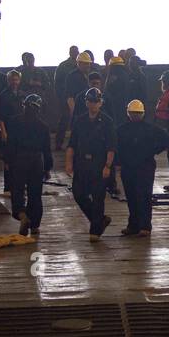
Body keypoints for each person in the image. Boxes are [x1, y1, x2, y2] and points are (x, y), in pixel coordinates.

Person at [65, 87, 116, 241]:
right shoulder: (80, 121)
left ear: (100, 103)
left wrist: (108, 166)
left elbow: (111, 147)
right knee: (78, 194)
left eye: (96, 101)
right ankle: (98, 220)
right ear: (86, 102)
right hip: (81, 163)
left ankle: (95, 230)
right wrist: (69, 163)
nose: (93, 104)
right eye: (90, 101)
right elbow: (72, 144)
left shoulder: (107, 122)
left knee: (98, 197)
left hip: (99, 164)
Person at [115, 99, 169, 238]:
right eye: (134, 113)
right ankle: (134, 225)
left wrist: (153, 151)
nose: (135, 116)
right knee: (133, 197)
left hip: (141, 167)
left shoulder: (123, 130)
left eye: (136, 113)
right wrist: (153, 151)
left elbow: (165, 140)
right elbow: (166, 140)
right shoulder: (126, 130)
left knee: (143, 197)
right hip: (135, 167)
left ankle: (144, 226)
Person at [5, 94, 53, 237]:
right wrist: (48, 168)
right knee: (35, 194)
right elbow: (47, 149)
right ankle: (35, 225)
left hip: (19, 160)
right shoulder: (43, 127)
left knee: (17, 191)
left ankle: (21, 214)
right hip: (36, 161)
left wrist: (7, 161)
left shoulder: (14, 122)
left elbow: (10, 144)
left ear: (23, 105)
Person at [0, 69, 23, 192]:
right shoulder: (3, 96)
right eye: (12, 79)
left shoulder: (22, 95)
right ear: (8, 81)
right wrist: (3, 131)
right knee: (8, 159)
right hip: (8, 130)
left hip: (20, 131)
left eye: (16, 79)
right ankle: (8, 186)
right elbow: (0, 116)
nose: (14, 82)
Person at [61, 50, 93, 148]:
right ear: (78, 63)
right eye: (85, 63)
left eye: (88, 64)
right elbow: (70, 95)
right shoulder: (72, 76)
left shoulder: (90, 75)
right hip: (78, 108)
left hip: (89, 108)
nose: (87, 66)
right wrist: (73, 110)